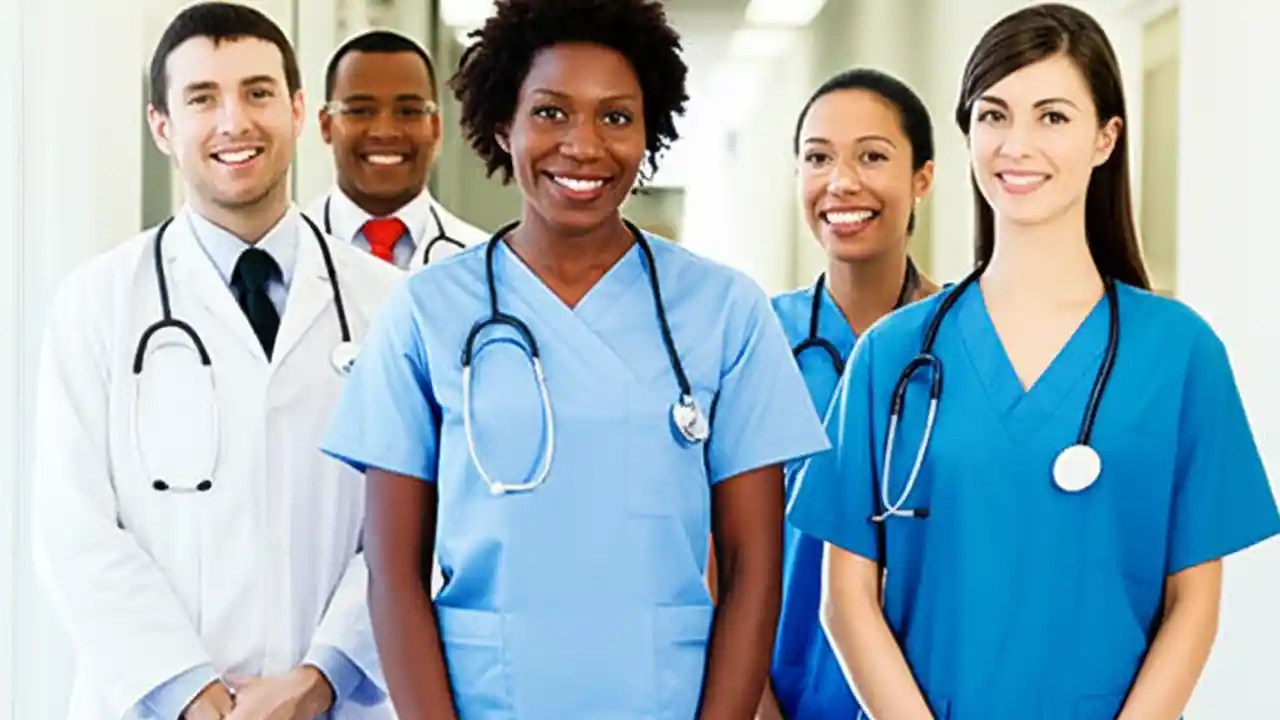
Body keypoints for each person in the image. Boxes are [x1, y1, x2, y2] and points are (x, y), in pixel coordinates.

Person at [319, 0, 830, 717]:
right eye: (551, 112)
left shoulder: (725, 311)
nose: (583, 145)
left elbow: (754, 572)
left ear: (650, 131)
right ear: (504, 123)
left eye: (616, 117)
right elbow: (394, 576)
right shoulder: (427, 313)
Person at [787, 5, 1280, 719]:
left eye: (1052, 117)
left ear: (1106, 137)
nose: (1017, 145)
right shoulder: (891, 357)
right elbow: (847, 600)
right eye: (993, 116)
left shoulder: (1179, 353)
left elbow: (1194, 603)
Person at [31, 3, 400, 718]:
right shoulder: (97, 303)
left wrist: (320, 676)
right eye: (203, 98)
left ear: (297, 111)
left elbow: (415, 524)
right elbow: (73, 529)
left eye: (258, 93)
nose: (235, 121)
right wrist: (189, 692)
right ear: (162, 127)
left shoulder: (389, 306)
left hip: (333, 701)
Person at [762, 68, 940, 720]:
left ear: (922, 177)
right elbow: (715, 560)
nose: (841, 182)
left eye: (872, 156)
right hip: (790, 694)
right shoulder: (759, 343)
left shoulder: (971, 343)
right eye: (817, 157)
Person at [305, 29, 488, 271]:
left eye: (409, 112)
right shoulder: (286, 252)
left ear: (435, 127)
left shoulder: (485, 263)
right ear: (326, 125)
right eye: (360, 111)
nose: (385, 131)